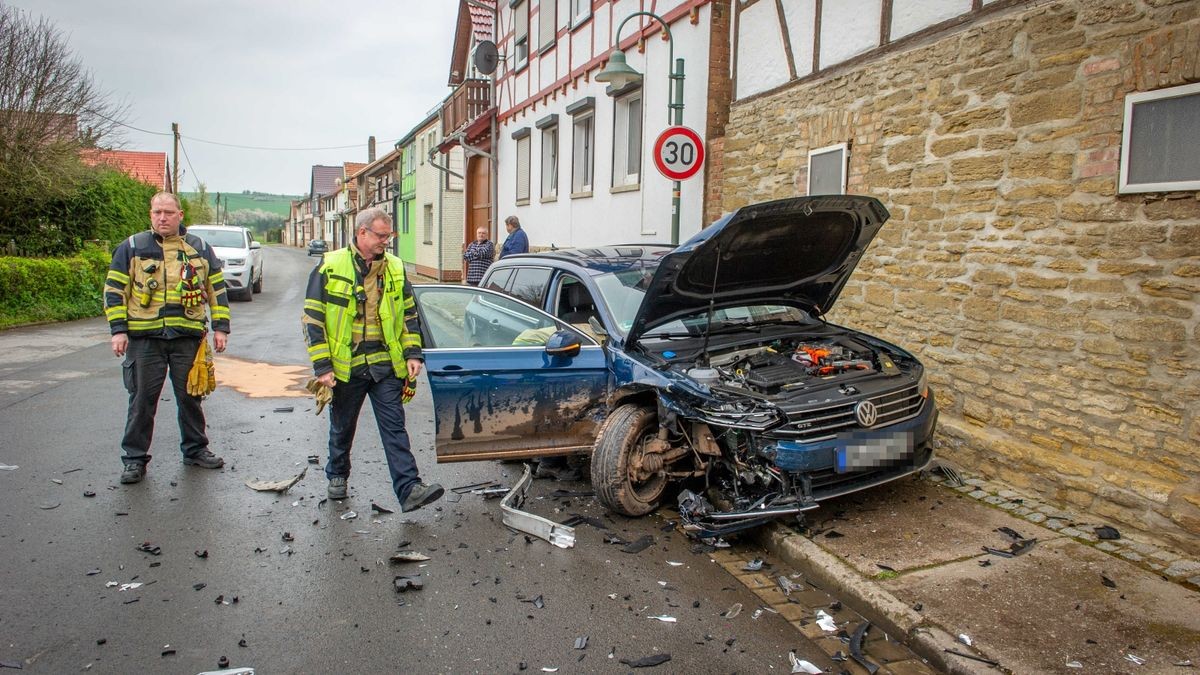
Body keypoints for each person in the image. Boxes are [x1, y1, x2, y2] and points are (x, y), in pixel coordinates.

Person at [301, 207, 444, 512]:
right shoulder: (330, 265)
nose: (386, 242)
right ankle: (337, 474)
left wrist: (412, 353)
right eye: (381, 235)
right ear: (361, 232)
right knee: (342, 426)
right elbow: (312, 319)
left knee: (394, 427)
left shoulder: (393, 266)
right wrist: (322, 367)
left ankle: (409, 489)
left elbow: (408, 313)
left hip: (384, 366)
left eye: (388, 236)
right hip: (347, 366)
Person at [105, 192, 231, 484]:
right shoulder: (133, 247)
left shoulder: (198, 248)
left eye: (168, 213)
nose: (162, 218)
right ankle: (134, 460)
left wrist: (221, 327)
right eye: (157, 212)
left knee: (191, 398)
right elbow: (114, 291)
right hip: (144, 338)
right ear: (150, 215)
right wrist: (118, 331)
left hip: (187, 337)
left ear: (180, 215)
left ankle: (196, 450)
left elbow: (217, 290)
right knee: (142, 401)